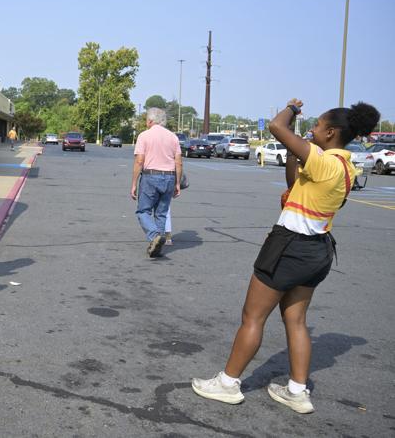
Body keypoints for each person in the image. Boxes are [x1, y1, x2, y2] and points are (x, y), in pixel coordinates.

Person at [191, 99, 380, 414]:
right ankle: (297, 390)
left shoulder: (323, 161)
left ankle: (228, 383)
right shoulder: (346, 167)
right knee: (296, 320)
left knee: (253, 317)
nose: (313, 129)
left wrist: (291, 108)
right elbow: (295, 184)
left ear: (331, 132)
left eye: (318, 125)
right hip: (317, 249)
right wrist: (296, 150)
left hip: (289, 246)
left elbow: (276, 126)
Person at [130, 107, 182, 257]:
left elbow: (139, 161)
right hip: (169, 177)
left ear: (151, 120)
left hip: (150, 176)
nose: (146, 122)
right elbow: (178, 162)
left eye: (147, 119)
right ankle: (157, 246)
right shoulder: (173, 137)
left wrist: (134, 183)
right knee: (161, 213)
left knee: (143, 211)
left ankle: (154, 236)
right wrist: (177, 183)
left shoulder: (144, 136)